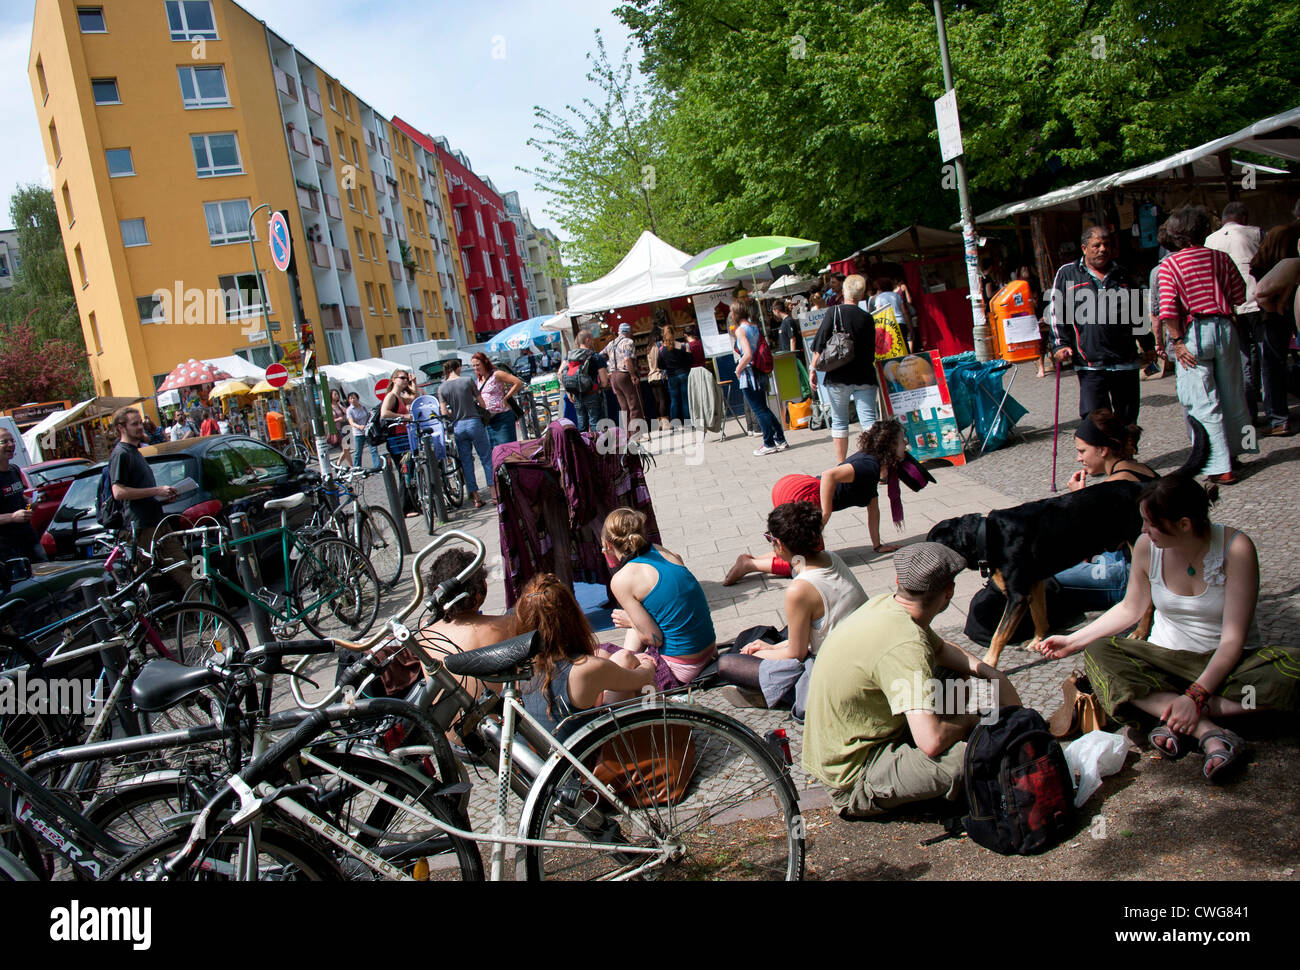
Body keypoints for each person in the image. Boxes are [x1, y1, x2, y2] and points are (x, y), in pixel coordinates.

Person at [1035, 474, 1299, 783]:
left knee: (1292, 671)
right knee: (1098, 651)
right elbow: (1131, 608)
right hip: (1164, 662)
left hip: (1229, 667)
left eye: (1150, 523)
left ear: (1184, 524)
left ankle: (1174, 712)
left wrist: (1196, 697)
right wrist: (1074, 640)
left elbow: (1232, 641)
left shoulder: (1235, 548)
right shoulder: (1148, 547)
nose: (1143, 531)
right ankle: (1205, 729)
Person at [802, 542, 1021, 817]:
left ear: (898, 582)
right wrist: (972, 720)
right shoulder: (907, 645)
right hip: (853, 778)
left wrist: (990, 672)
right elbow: (930, 740)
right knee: (966, 759)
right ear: (948, 593)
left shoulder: (886, 606)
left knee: (953, 673)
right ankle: (916, 782)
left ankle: (928, 751)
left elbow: (941, 650)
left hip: (850, 745)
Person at [717, 501, 868, 713]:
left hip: (837, 671)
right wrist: (772, 648)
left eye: (769, 539)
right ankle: (772, 685)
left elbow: (796, 654)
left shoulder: (800, 589)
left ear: (779, 544)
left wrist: (762, 654)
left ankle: (782, 693)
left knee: (728, 663)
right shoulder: (831, 558)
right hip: (857, 648)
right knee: (777, 636)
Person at [724, 417, 908, 585]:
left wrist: (877, 546)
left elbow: (873, 510)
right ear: (889, 445)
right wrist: (825, 513)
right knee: (810, 561)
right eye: (902, 440)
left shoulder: (872, 466)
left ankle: (750, 560)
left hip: (791, 486)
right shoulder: (869, 465)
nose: (906, 443)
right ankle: (751, 565)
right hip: (803, 493)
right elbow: (829, 475)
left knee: (794, 548)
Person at [1157, 205, 1255, 484]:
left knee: (1203, 401)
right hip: (1225, 327)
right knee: (1232, 394)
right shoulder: (1221, 258)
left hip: (1193, 333)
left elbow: (1169, 310)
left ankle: (1217, 464)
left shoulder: (1170, 265)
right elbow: (1239, 294)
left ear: (1176, 234)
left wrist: (1176, 342)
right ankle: (1236, 452)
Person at [517, 572, 657, 738]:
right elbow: (642, 679)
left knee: (605, 654)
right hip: (580, 758)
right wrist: (647, 663)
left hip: (534, 755)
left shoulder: (519, 663)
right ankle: (660, 739)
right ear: (572, 617)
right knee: (627, 661)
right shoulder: (585, 669)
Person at [1052, 409, 1158, 612]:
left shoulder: (1116, 485)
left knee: (1044, 576)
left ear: (1102, 450)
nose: (1078, 458)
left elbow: (1091, 541)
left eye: (1082, 451)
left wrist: (1080, 500)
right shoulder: (1141, 469)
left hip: (1130, 574)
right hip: (1140, 562)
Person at [602, 508, 717, 689]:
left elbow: (654, 639)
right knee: (637, 616)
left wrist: (630, 621)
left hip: (682, 666)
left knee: (602, 654)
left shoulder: (622, 580)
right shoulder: (662, 552)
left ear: (608, 545)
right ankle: (630, 658)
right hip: (708, 652)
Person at [1048, 226, 1143, 424]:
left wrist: (1148, 344)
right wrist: (1059, 344)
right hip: (1089, 362)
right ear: (1084, 248)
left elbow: (1138, 313)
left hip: (1124, 360)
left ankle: (1124, 454)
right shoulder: (1068, 274)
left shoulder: (1122, 274)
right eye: (1096, 245)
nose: (1102, 249)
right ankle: (1103, 454)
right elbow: (1057, 312)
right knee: (1096, 419)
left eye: (1106, 245)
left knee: (1128, 419)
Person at [412, 547, 521, 709]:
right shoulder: (505, 626)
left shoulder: (425, 630)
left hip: (443, 729)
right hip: (491, 726)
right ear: (476, 593)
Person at [108, 407, 193, 591]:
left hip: (157, 521)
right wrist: (156, 490)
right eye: (135, 424)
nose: (141, 427)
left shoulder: (134, 451)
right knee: (140, 582)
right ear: (122, 428)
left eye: (140, 423)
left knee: (185, 569)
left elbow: (140, 490)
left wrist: (161, 498)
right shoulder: (121, 454)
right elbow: (118, 492)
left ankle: (208, 614)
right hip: (142, 527)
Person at [1204, 202, 1265, 425]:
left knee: (1243, 359)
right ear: (1244, 216)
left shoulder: (1210, 241)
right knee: (1265, 353)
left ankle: (1250, 412)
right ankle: (1273, 409)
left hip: (1229, 307)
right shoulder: (1256, 233)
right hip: (1257, 302)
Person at [809, 273, 878, 462]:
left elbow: (819, 345)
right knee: (869, 422)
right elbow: (871, 351)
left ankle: (842, 465)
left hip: (838, 376)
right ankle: (877, 466)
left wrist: (812, 370)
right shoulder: (867, 318)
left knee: (839, 421)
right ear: (862, 293)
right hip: (865, 375)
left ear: (845, 291)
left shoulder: (834, 312)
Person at [1248, 209, 1300, 437]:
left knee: (1272, 362)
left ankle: (1278, 419)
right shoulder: (1284, 235)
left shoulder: (1280, 233)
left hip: (1278, 309)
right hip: (1283, 307)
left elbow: (1257, 273)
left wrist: (1273, 304)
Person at [731, 301, 788, 456]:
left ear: (735, 314)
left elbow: (748, 354)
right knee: (763, 408)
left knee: (759, 410)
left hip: (750, 375)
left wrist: (738, 368)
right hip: (760, 372)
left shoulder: (741, 330)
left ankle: (769, 442)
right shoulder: (754, 327)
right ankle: (780, 439)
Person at [438, 358, 495, 509]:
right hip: (474, 422)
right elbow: (482, 404)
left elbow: (444, 412)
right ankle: (494, 493)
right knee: (486, 458)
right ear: (458, 368)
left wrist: (455, 414)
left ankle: (476, 498)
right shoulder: (467, 381)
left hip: (458, 427)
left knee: (466, 462)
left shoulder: (442, 388)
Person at [0, 427, 47, 562]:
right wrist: (13, 517)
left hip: (28, 536)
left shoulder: (14, 470)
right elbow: (12, 513)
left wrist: (30, 503)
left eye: (12, 440)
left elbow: (19, 497)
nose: (11, 444)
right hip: (6, 547)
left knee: (44, 572)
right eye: (4, 442)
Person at [471, 352, 525, 450]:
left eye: (478, 365)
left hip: (502, 418)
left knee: (508, 450)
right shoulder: (479, 379)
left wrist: (506, 397)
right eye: (473, 366)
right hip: (488, 420)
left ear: (485, 362)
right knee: (495, 453)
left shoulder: (496, 374)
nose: (476, 368)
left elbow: (518, 382)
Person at [563, 329, 609, 433]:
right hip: (592, 394)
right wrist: (599, 386)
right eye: (592, 340)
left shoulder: (569, 356)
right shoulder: (595, 357)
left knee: (582, 426)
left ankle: (584, 447)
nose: (593, 342)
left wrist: (568, 391)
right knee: (596, 425)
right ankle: (596, 447)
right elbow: (604, 382)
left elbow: (561, 373)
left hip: (577, 396)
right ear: (587, 340)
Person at [606, 323, 645, 434]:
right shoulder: (628, 342)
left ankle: (626, 434)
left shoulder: (610, 344)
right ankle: (635, 433)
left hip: (614, 375)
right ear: (628, 332)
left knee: (623, 407)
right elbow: (627, 359)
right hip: (624, 374)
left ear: (619, 332)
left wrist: (607, 371)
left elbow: (600, 356)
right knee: (634, 404)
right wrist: (633, 375)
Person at [657, 324, 692, 428]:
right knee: (685, 399)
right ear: (674, 333)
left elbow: (660, 365)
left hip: (671, 377)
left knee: (674, 401)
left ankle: (674, 424)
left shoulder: (662, 350)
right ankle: (688, 423)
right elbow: (689, 361)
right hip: (683, 374)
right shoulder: (682, 346)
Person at [346, 391, 380, 469]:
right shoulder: (349, 410)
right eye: (350, 398)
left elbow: (368, 416)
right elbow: (351, 422)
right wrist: (358, 426)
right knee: (358, 451)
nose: (352, 400)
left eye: (354, 398)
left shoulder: (363, 407)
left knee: (373, 448)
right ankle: (357, 467)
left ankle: (377, 466)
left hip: (367, 431)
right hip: (358, 433)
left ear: (357, 398)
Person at [645, 331, 670, 433]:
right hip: (659, 375)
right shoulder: (659, 346)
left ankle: (659, 423)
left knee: (657, 401)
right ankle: (665, 423)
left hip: (651, 377)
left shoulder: (649, 348)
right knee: (663, 400)